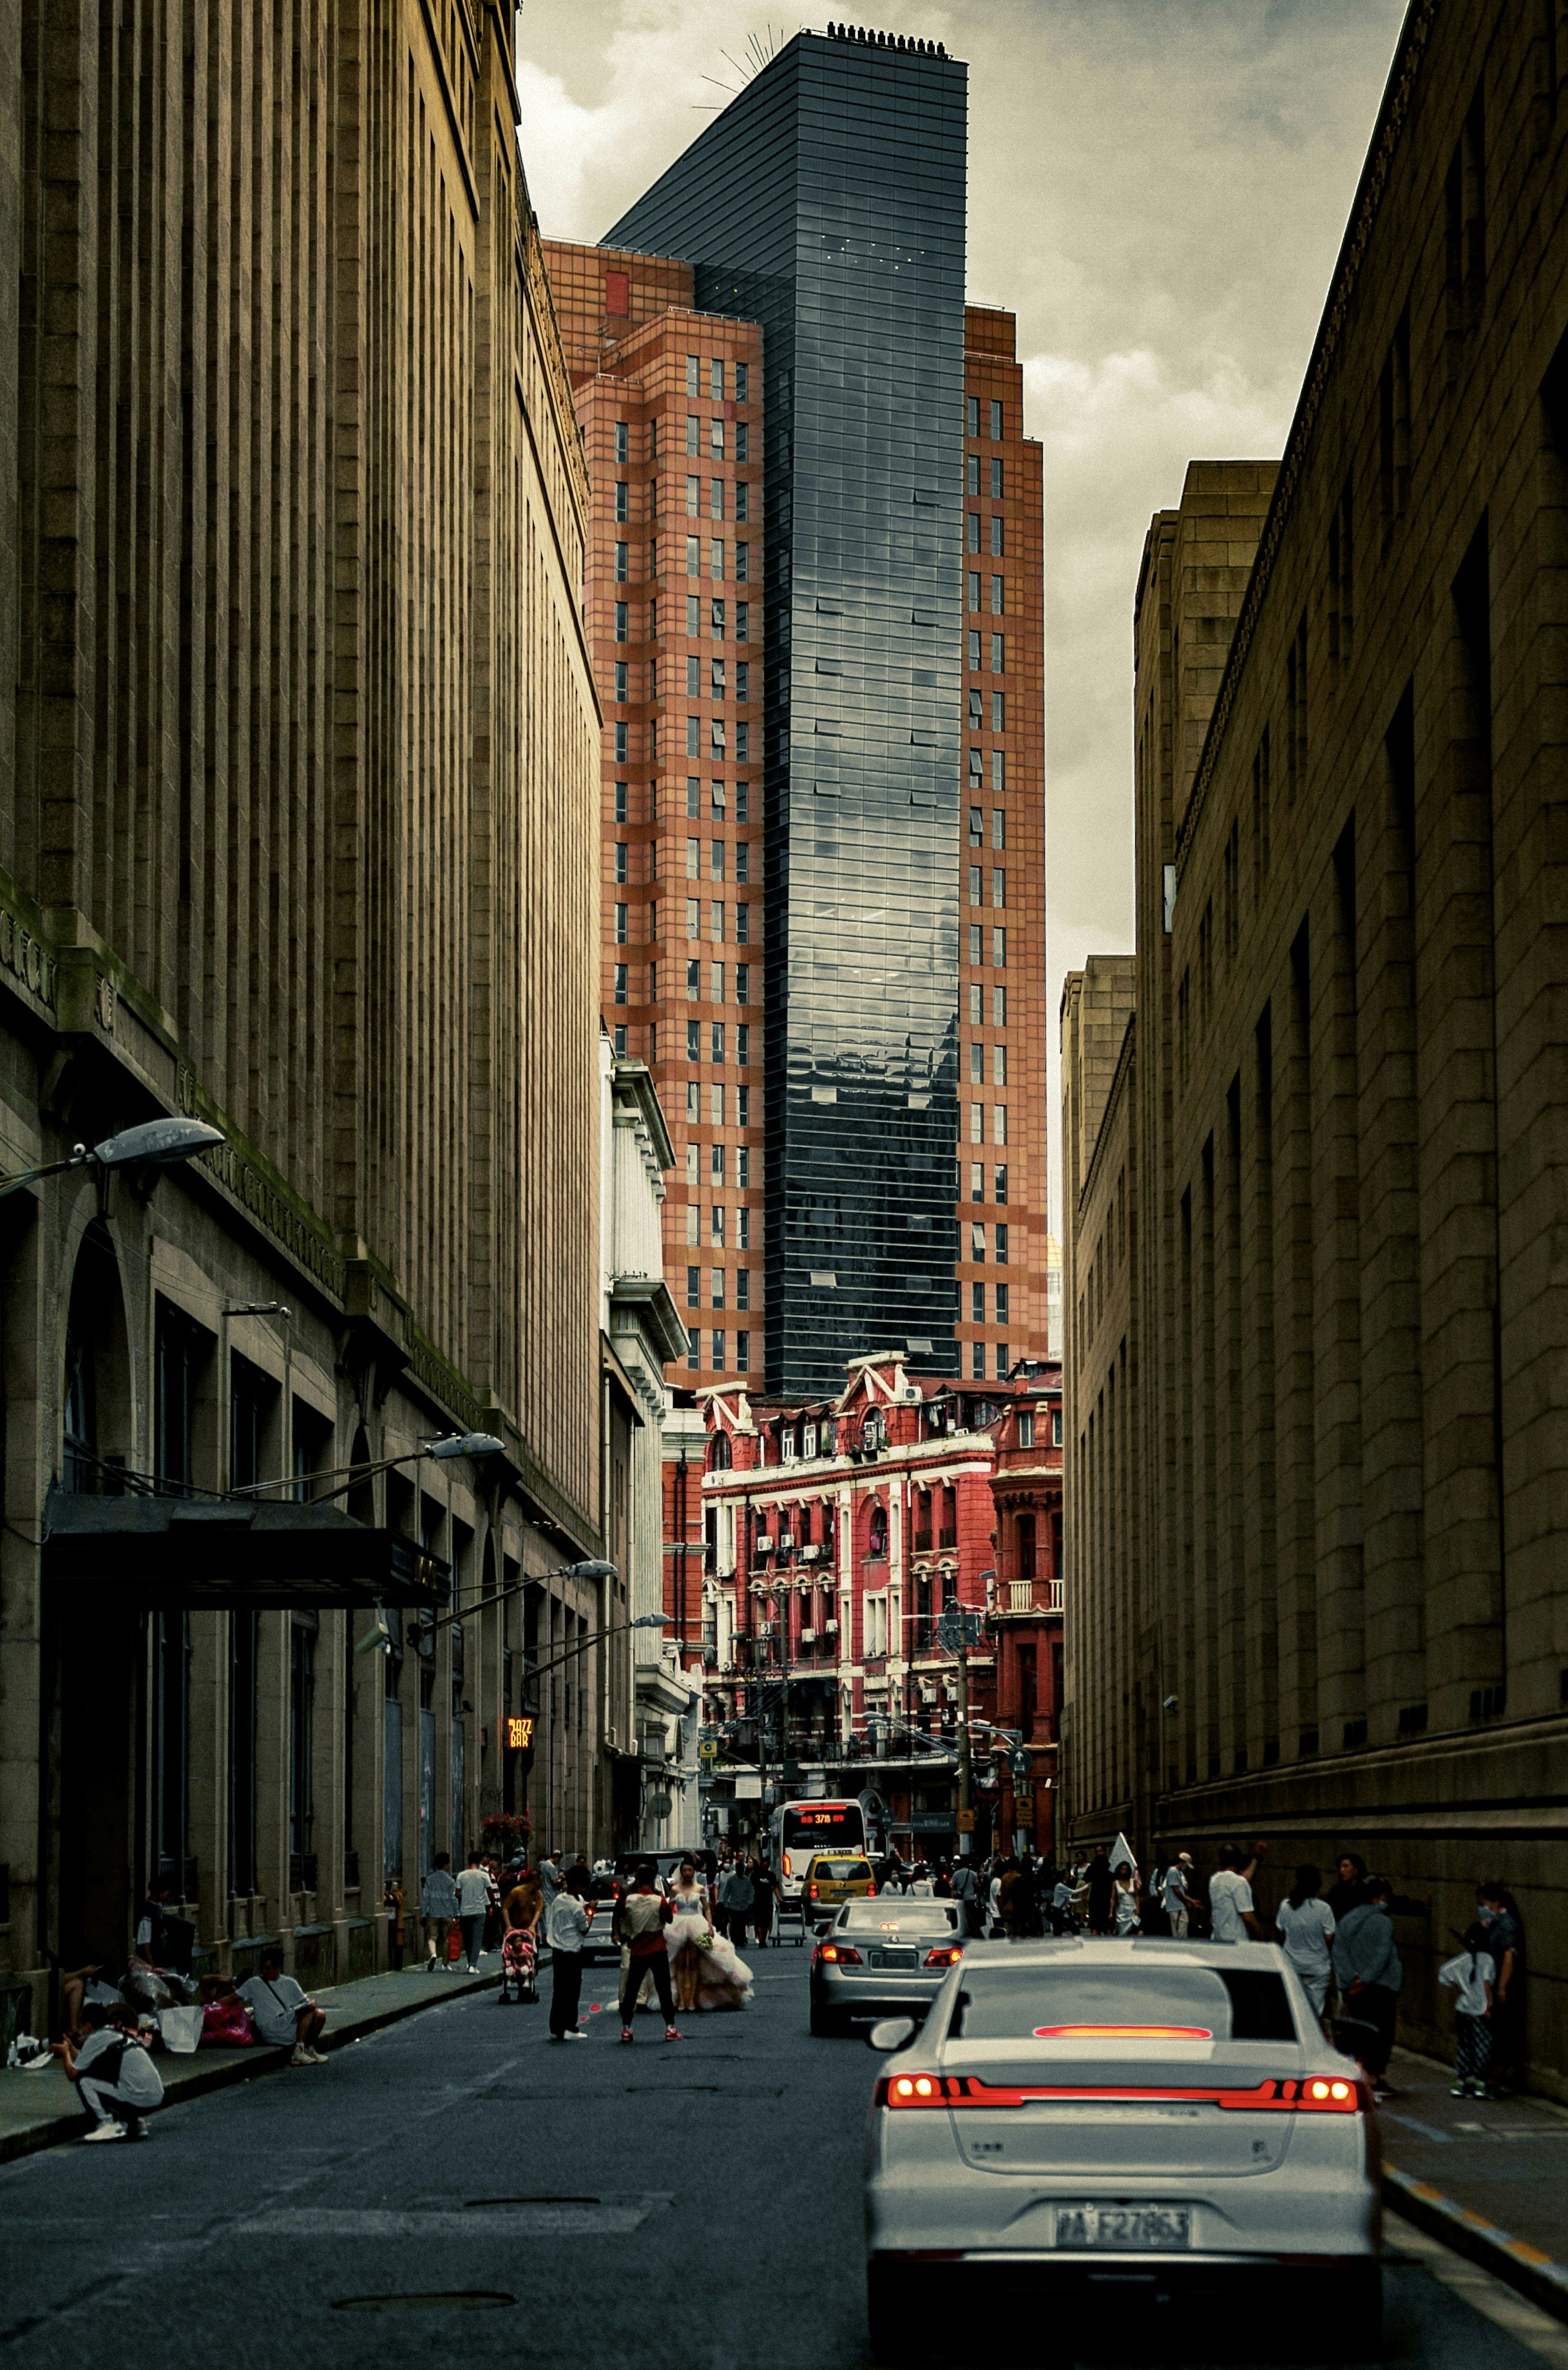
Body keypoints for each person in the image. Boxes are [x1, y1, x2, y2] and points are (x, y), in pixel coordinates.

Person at [1332, 1874, 1402, 2097]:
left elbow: (1339, 1951)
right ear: (1380, 1896)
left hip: (1352, 1986)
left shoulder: (1347, 1919)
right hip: (1378, 1987)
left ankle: (1359, 2073)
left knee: (1359, 2031)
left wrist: (1350, 1979)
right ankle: (1374, 2077)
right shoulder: (1382, 1921)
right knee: (1381, 2033)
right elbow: (1382, 1955)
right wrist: (1365, 1979)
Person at [55, 2001, 164, 2141]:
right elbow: (84, 2060)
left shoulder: (96, 2038)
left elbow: (73, 2073)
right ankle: (136, 2123)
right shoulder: (113, 2034)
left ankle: (106, 2124)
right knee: (107, 2076)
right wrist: (70, 2047)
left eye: (82, 2026)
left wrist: (65, 2054)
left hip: (139, 2098)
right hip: (156, 2097)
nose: (80, 2031)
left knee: (83, 2081)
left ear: (88, 2026)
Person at [615, 1862, 683, 2043]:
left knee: (632, 1990)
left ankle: (626, 2028)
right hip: (657, 1948)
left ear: (637, 1881)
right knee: (664, 1990)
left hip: (637, 1949)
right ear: (653, 1881)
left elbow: (622, 1915)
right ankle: (670, 2028)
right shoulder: (659, 1900)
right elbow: (668, 1919)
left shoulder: (629, 1901)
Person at [237, 1946, 329, 2065]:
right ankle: (299, 2051)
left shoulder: (289, 1983)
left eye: (267, 1968)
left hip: (285, 2023)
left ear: (278, 1968)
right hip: (270, 2029)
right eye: (262, 1968)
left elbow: (305, 2002)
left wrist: (311, 2003)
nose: (263, 1972)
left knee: (319, 2015)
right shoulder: (254, 1983)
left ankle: (307, 2049)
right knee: (308, 2012)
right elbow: (232, 1998)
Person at [1476, 1882, 1525, 2093]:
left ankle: (1494, 2079)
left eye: (1483, 1903)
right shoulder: (1497, 1924)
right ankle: (1490, 2078)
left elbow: (1508, 1955)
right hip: (1495, 1984)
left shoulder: (1506, 1925)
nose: (1481, 1908)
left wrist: (1502, 1987)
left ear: (1496, 1902)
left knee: (1502, 2033)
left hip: (1503, 1986)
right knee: (1496, 2031)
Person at [1439, 1922, 1496, 2098]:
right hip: (1480, 2010)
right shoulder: (1487, 1959)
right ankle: (1480, 2083)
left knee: (1465, 2045)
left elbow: (1444, 1973)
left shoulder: (1463, 1958)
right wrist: (1488, 2007)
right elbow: (1487, 1985)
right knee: (1483, 2047)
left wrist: (1462, 1989)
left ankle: (1460, 2082)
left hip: (1463, 2008)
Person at [1275, 1864, 1335, 2018]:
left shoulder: (1286, 1906)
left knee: (1293, 2010)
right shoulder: (1324, 1908)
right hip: (1317, 1968)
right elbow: (1329, 1938)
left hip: (1292, 1965)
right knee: (1315, 2013)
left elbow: (1280, 1932)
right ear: (1318, 1883)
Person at [545, 1869, 595, 2039]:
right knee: (573, 1990)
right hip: (573, 1950)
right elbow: (584, 1929)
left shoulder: (559, 1900)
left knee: (559, 1990)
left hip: (558, 1949)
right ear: (577, 1886)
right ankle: (571, 2027)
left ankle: (556, 2027)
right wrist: (591, 1914)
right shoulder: (575, 1906)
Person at [667, 1856, 712, 2012]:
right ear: (681, 1872)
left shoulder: (699, 1888)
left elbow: (706, 1908)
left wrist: (710, 1926)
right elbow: (669, 1908)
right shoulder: (674, 1889)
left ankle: (692, 1998)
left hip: (696, 1923)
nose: (687, 1873)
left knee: (694, 1963)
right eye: (685, 1870)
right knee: (679, 1963)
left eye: (690, 1870)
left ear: (693, 1872)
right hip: (678, 1924)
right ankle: (680, 1999)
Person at [1208, 1842, 1266, 1943]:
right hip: (1236, 1942)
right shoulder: (1239, 1882)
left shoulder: (1214, 1880)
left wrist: (1256, 1858)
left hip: (1218, 1940)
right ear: (1239, 1860)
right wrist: (1263, 1940)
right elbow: (1248, 1918)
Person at [419, 1853, 459, 1970]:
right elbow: (454, 1899)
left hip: (433, 1913)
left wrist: (423, 1913)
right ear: (446, 1865)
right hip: (447, 1914)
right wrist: (457, 1914)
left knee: (432, 1937)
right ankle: (445, 1964)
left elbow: (425, 1898)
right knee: (446, 1939)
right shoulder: (451, 1881)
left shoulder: (430, 1880)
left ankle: (433, 1954)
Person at [455, 1851, 490, 1973]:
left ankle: (470, 1962)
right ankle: (473, 1965)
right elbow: (490, 1891)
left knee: (468, 1939)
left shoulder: (461, 1875)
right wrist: (491, 1905)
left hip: (465, 1910)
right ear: (480, 1861)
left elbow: (457, 1894)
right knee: (477, 1939)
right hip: (479, 1910)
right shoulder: (483, 1875)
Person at [1161, 1853, 1199, 1940]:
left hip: (1178, 1907)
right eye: (1186, 1865)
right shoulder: (1173, 1871)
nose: (1185, 1867)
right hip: (1176, 1907)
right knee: (1180, 1932)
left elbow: (1180, 1891)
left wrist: (1191, 1901)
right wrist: (1186, 1903)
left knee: (1181, 1930)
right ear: (1182, 1862)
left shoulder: (1176, 1872)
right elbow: (1176, 1890)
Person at [717, 1857, 754, 1942]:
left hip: (744, 1905)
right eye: (739, 1869)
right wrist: (726, 1902)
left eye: (742, 1869)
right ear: (737, 1869)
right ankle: (735, 1939)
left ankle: (742, 1939)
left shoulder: (747, 1880)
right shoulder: (732, 1880)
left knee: (742, 1923)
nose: (740, 1871)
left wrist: (750, 1902)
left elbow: (751, 1891)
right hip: (733, 1905)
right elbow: (727, 1892)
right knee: (734, 1923)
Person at [1326, 1853, 1368, 1925]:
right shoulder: (1336, 1891)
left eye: (1346, 1867)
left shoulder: (1366, 1891)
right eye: (1340, 1867)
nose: (1341, 1870)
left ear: (1356, 1870)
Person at [748, 1856, 777, 1949]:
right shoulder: (755, 1875)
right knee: (759, 1922)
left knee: (766, 1923)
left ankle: (763, 1939)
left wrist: (779, 1899)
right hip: (757, 1902)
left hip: (768, 1902)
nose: (765, 1867)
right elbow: (750, 1889)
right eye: (764, 1865)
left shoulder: (771, 1875)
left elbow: (775, 1888)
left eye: (767, 1866)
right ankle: (761, 1940)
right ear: (761, 1865)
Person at [951, 1855, 982, 1938]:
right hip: (971, 1899)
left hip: (960, 1900)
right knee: (972, 1918)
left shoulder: (956, 1874)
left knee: (961, 1918)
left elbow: (952, 1887)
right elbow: (978, 1886)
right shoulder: (972, 1874)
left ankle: (963, 1932)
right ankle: (974, 1933)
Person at [1085, 1844, 1113, 1936]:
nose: (1099, 1854)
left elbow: (1115, 1883)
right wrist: (1085, 1896)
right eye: (1097, 1852)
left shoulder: (1110, 1866)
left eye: (1101, 1851)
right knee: (1094, 1925)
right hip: (1095, 1897)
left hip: (1107, 1897)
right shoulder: (1092, 1867)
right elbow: (1087, 1882)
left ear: (1105, 1851)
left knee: (1108, 1925)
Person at [384, 1871, 408, 1972]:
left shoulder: (397, 1896)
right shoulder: (393, 1897)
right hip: (391, 1909)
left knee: (398, 1932)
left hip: (394, 1917)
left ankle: (398, 1965)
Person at [1111, 1860, 1140, 1936]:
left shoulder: (1133, 1881)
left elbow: (1137, 1896)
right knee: (1121, 1932)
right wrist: (1111, 1912)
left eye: (1126, 1869)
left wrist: (1138, 1908)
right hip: (1121, 1910)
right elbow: (1113, 1898)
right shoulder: (1115, 1883)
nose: (1124, 1871)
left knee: (1133, 1931)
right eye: (1122, 1869)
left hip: (1132, 1909)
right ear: (1119, 1870)